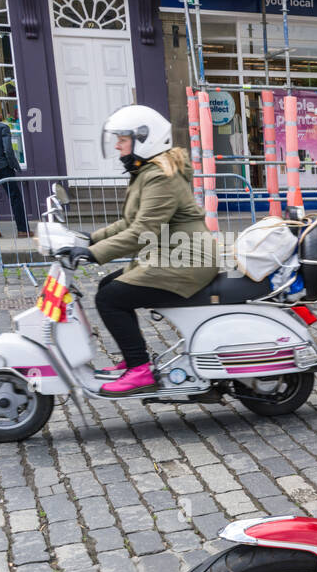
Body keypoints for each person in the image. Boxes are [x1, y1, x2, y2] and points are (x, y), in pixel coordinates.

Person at [59, 105, 220, 396]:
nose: (118, 145)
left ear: (145, 140)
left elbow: (142, 231)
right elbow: (131, 221)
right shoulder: (148, 172)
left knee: (110, 298)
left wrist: (94, 253)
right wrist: (90, 238)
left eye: (123, 139)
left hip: (187, 260)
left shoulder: (160, 176)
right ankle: (135, 360)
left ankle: (140, 370)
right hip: (172, 255)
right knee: (109, 285)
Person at [0, 104, 28, 238]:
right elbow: (8, 151)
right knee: (15, 196)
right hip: (3, 167)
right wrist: (15, 166)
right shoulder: (2, 127)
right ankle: (22, 229)